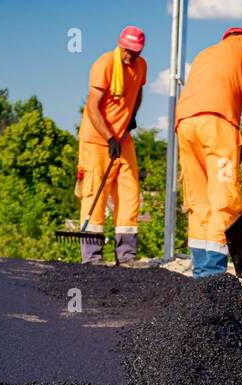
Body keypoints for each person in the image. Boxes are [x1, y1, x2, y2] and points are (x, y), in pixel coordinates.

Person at [176, 28, 242, 278]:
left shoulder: (205, 54)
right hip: (217, 122)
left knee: (198, 200)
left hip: (185, 124)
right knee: (224, 198)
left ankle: (200, 273)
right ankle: (213, 273)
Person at [76, 26, 148, 266]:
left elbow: (138, 91)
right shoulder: (104, 64)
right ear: (120, 46)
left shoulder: (141, 66)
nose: (130, 56)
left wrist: (132, 114)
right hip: (97, 138)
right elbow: (93, 107)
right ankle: (92, 257)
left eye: (135, 52)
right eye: (127, 51)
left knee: (129, 193)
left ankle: (126, 256)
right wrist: (109, 138)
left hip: (123, 138)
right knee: (95, 192)